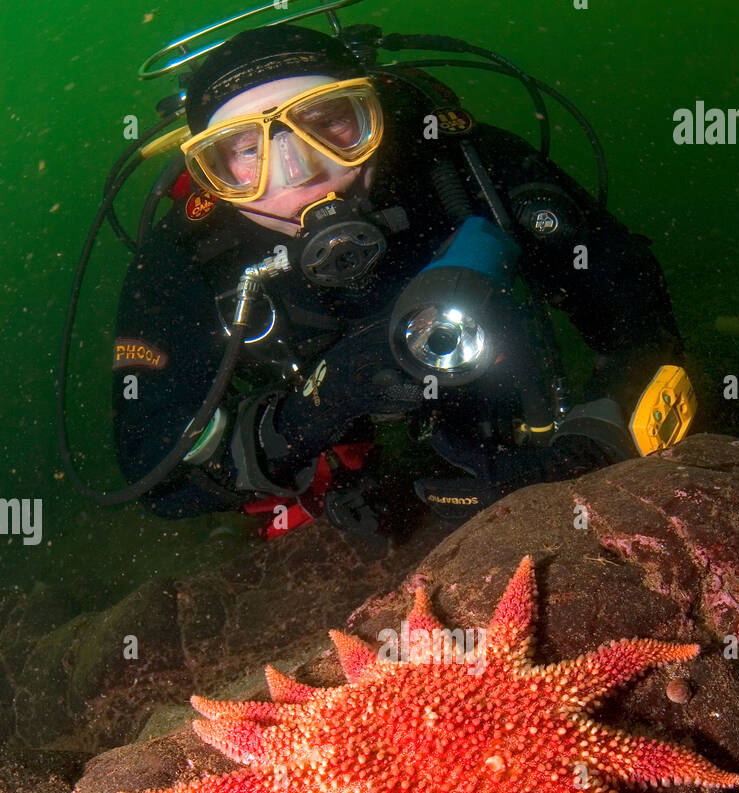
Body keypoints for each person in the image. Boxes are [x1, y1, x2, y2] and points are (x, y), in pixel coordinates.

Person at [113, 23, 685, 539]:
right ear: (208, 175)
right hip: (340, 476)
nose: (300, 172)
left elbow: (638, 317)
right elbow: (153, 475)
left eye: (330, 122)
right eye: (243, 150)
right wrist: (310, 414)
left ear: (375, 114)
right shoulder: (184, 259)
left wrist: (587, 447)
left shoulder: (468, 169)